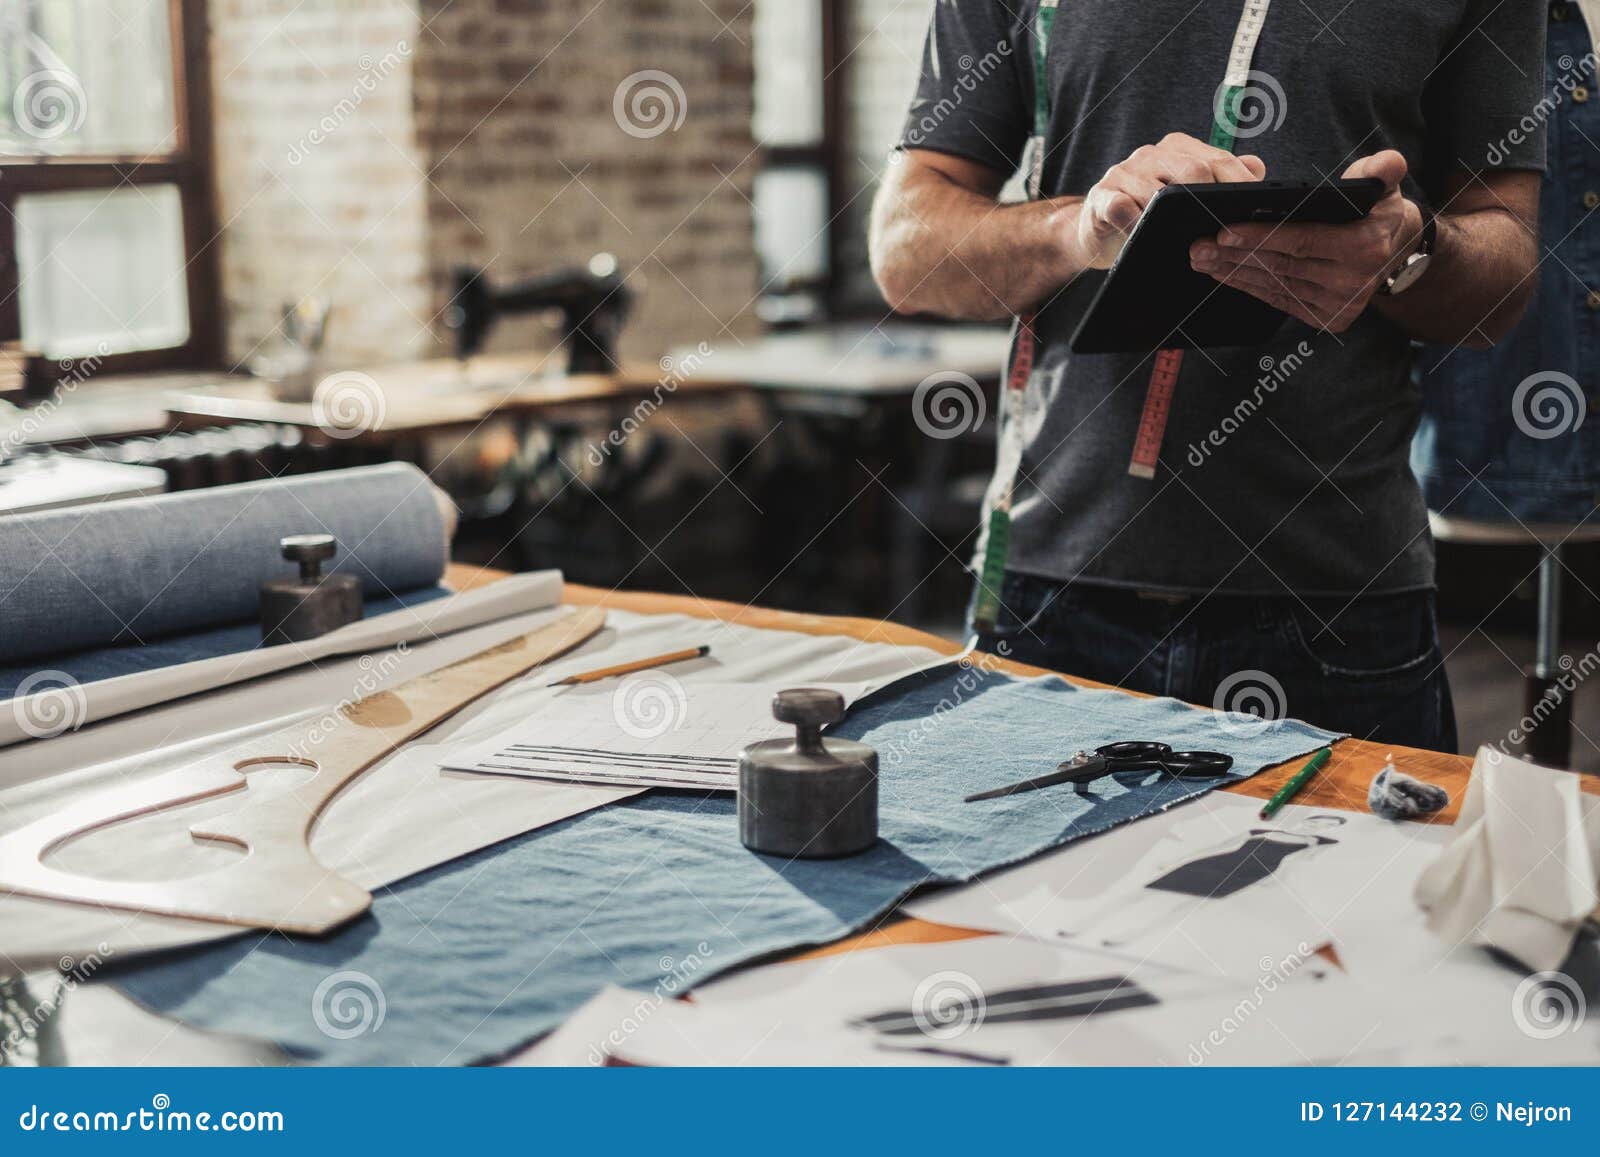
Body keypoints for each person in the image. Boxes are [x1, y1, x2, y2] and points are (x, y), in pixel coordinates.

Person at [870, 2, 1547, 752]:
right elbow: (905, 250)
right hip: (1047, 596)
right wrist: (1079, 228)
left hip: (1339, 606)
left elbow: (1505, 277)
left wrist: (1409, 254)